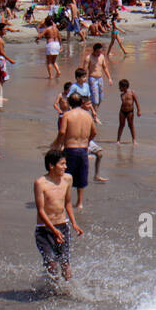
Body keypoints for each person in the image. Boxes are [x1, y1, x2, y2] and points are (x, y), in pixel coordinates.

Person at [34, 148, 83, 279]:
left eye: (65, 163)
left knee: (65, 265)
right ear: (51, 165)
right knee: (52, 265)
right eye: (62, 164)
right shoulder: (40, 183)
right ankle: (50, 289)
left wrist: (74, 223)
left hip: (62, 226)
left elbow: (67, 203)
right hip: (44, 230)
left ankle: (67, 290)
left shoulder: (68, 179)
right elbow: (40, 210)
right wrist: (53, 231)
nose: (65, 167)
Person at [53, 92, 97, 209]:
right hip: (83, 149)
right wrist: (87, 141)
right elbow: (94, 132)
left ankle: (64, 201)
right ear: (81, 102)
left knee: (66, 176)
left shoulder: (67, 115)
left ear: (69, 103)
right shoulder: (88, 116)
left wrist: (57, 143)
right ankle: (79, 203)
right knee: (81, 176)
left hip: (70, 148)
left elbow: (62, 132)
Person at [117, 79, 141, 143]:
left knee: (131, 125)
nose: (119, 88)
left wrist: (138, 110)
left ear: (124, 87)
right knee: (121, 125)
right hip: (122, 111)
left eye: (120, 87)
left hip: (130, 111)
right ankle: (118, 140)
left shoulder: (132, 93)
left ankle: (134, 140)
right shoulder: (121, 95)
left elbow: (136, 101)